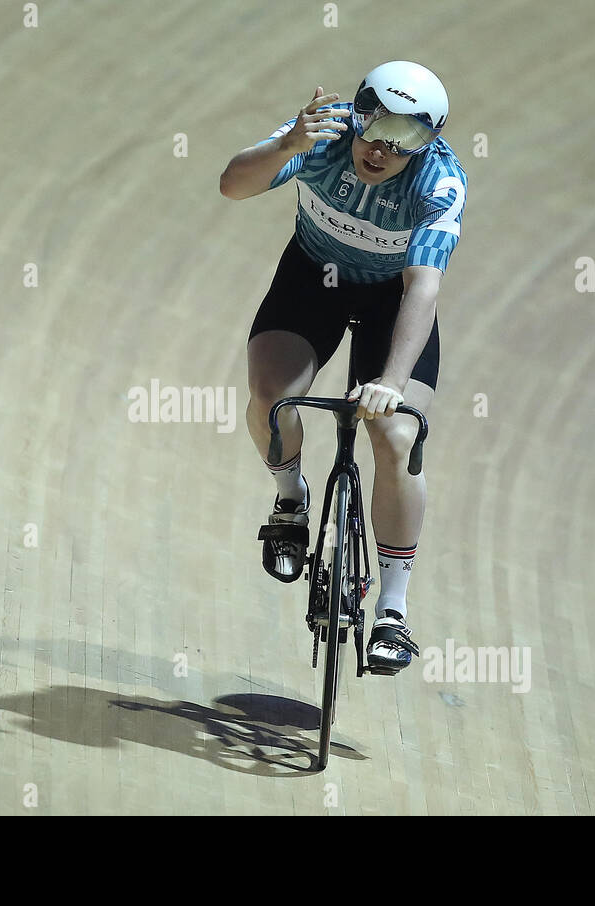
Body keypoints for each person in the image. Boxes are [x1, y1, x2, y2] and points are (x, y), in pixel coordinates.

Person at [219, 61, 467, 674]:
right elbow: (232, 186)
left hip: (392, 301)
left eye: (406, 137)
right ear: (357, 110)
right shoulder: (322, 133)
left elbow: (422, 289)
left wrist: (390, 382)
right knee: (272, 394)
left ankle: (393, 609)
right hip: (313, 280)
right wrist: (286, 145)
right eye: (376, 124)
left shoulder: (439, 183)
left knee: (396, 433)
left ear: (428, 142)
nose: (383, 147)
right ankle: (289, 501)